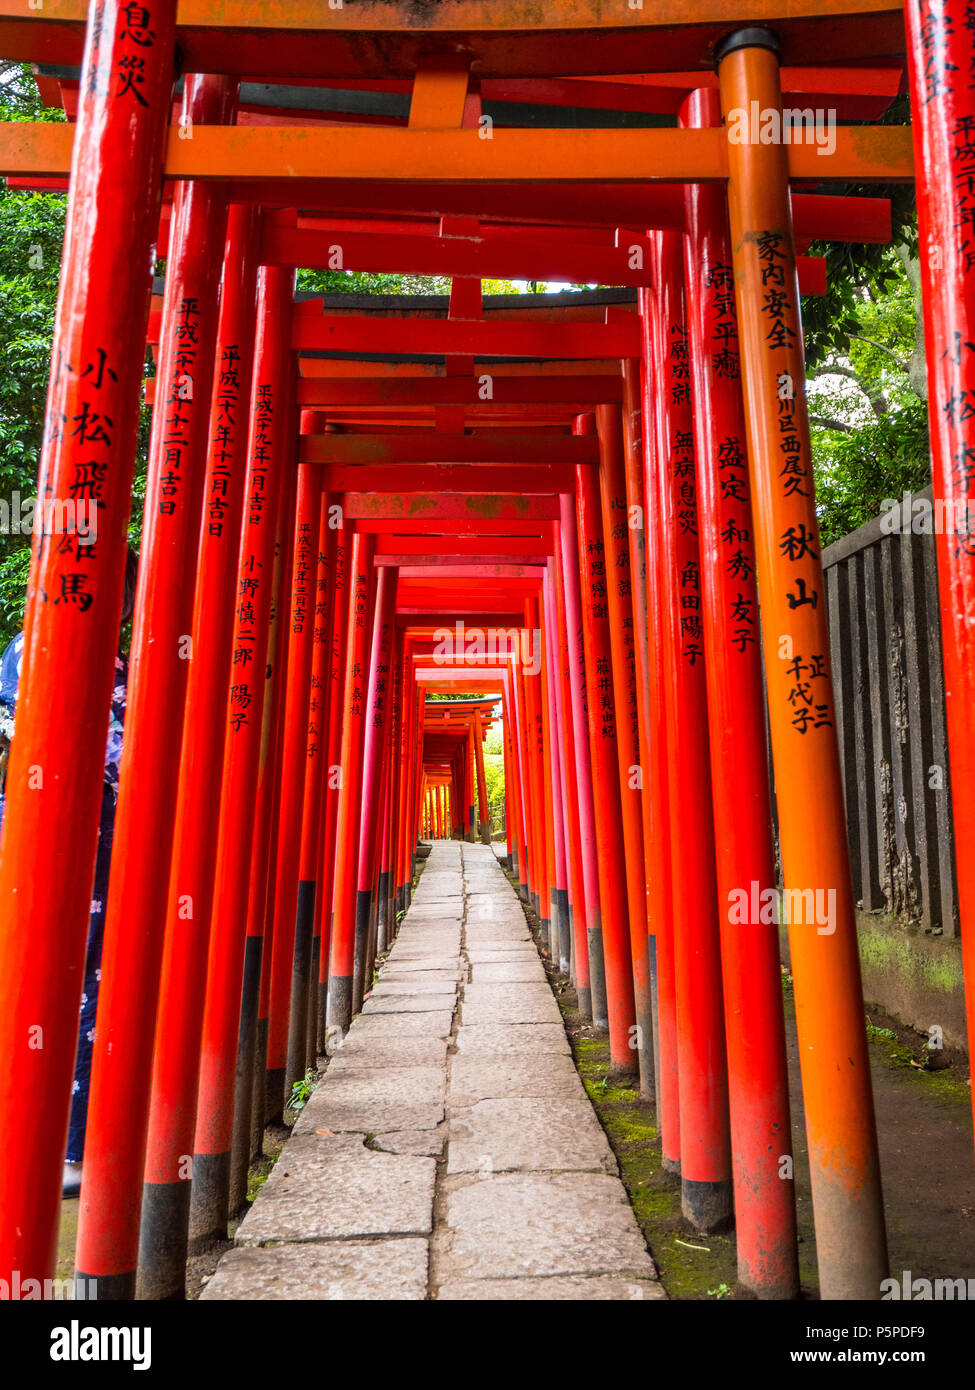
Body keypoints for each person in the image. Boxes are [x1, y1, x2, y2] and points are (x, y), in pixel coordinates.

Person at [0, 546, 136, 1197]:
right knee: (83, 984)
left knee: (58, 982)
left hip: (49, 840)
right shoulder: (73, 656)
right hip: (83, 844)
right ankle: (68, 1146)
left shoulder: (24, 648)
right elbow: (122, 762)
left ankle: (59, 1139)